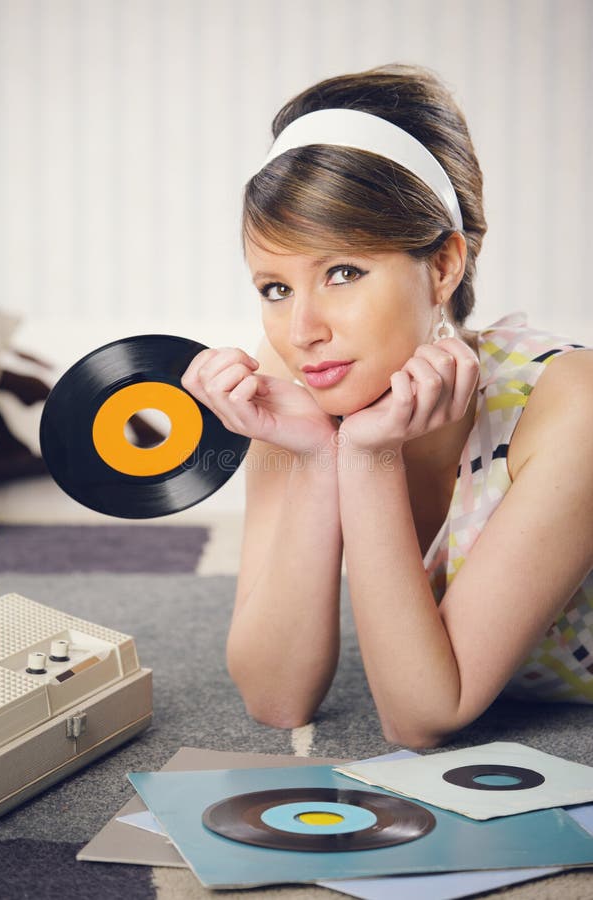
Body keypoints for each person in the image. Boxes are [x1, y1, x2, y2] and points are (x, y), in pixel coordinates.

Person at [182, 64, 593, 748]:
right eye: (276, 287)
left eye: (343, 272)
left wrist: (370, 458)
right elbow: (276, 696)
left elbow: (425, 713)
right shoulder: (297, 372)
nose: (302, 329)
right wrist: (317, 454)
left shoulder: (571, 405)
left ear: (442, 267)